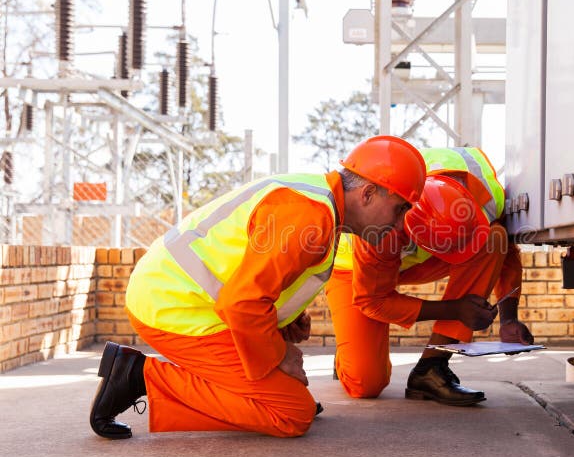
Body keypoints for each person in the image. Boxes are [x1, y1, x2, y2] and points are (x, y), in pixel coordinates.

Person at [89, 135, 427, 439]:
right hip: (173, 308)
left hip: (183, 298)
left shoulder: (319, 201)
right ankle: (138, 376)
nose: (399, 225)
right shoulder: (309, 214)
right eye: (399, 210)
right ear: (368, 193)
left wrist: (287, 317)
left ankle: (266, 391)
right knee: (291, 413)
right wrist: (280, 356)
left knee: (286, 393)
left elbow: (254, 270)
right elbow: (242, 303)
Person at [326, 146, 534, 406]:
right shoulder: (380, 225)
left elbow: (507, 252)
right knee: (365, 383)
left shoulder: (489, 196)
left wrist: (509, 318)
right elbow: (373, 301)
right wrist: (454, 309)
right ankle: (347, 354)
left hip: (414, 262)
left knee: (495, 238)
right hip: (355, 271)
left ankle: (432, 367)